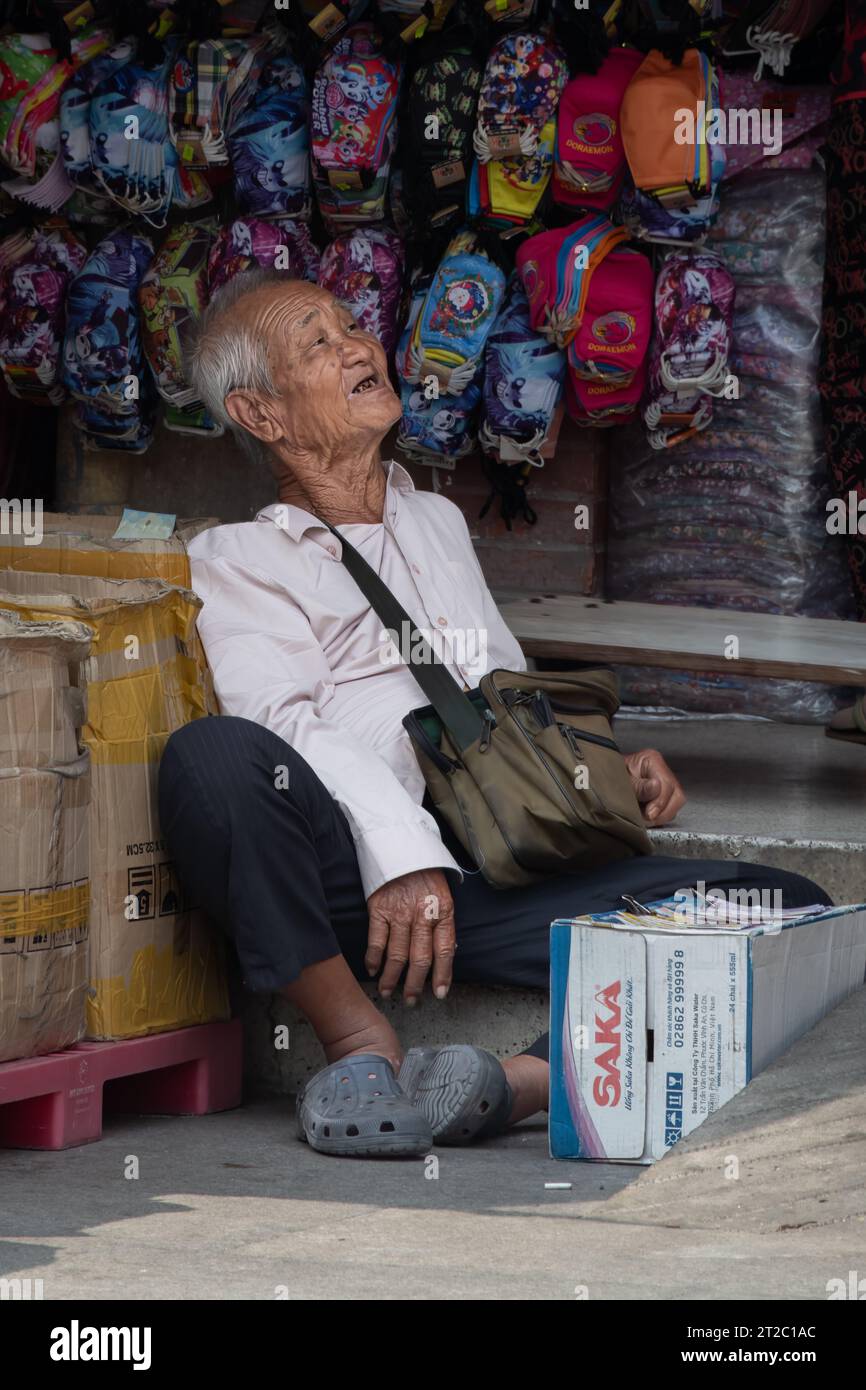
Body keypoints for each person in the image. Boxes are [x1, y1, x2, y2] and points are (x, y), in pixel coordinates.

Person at [158, 269, 830, 1159]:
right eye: (317, 344)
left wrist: (597, 767)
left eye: (352, 326)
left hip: (489, 870)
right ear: (262, 415)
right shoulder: (238, 557)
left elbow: (502, 693)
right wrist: (402, 856)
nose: (359, 347)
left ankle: (510, 1086)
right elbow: (287, 731)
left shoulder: (434, 519)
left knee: (788, 905)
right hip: (353, 883)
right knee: (214, 758)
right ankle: (359, 1044)